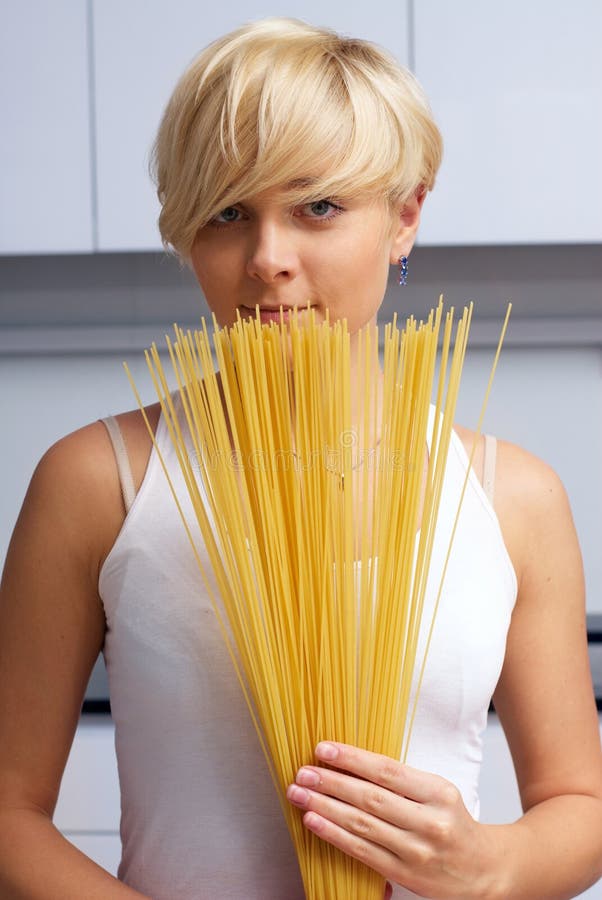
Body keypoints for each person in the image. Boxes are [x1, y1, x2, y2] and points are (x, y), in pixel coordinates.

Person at [0, 16, 601, 900]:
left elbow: (579, 803)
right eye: (226, 212)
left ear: (405, 217)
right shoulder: (98, 483)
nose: (267, 259)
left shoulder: (513, 497)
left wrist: (493, 865)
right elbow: (9, 809)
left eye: (318, 206)